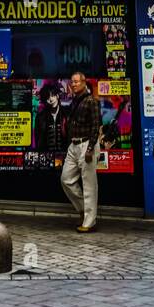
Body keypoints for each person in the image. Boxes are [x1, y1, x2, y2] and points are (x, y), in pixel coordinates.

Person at [60, 72, 101, 233]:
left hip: (86, 144)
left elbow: (95, 126)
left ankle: (89, 222)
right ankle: (84, 210)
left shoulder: (92, 101)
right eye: (72, 82)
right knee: (66, 179)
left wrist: (90, 148)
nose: (74, 84)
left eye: (77, 82)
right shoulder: (74, 101)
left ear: (84, 83)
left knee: (89, 185)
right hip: (74, 144)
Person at [34, 82, 68, 152]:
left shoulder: (66, 113)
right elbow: (38, 138)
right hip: (47, 153)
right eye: (47, 97)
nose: (51, 99)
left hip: (66, 154)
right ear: (44, 100)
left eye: (52, 95)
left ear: (57, 96)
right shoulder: (40, 116)